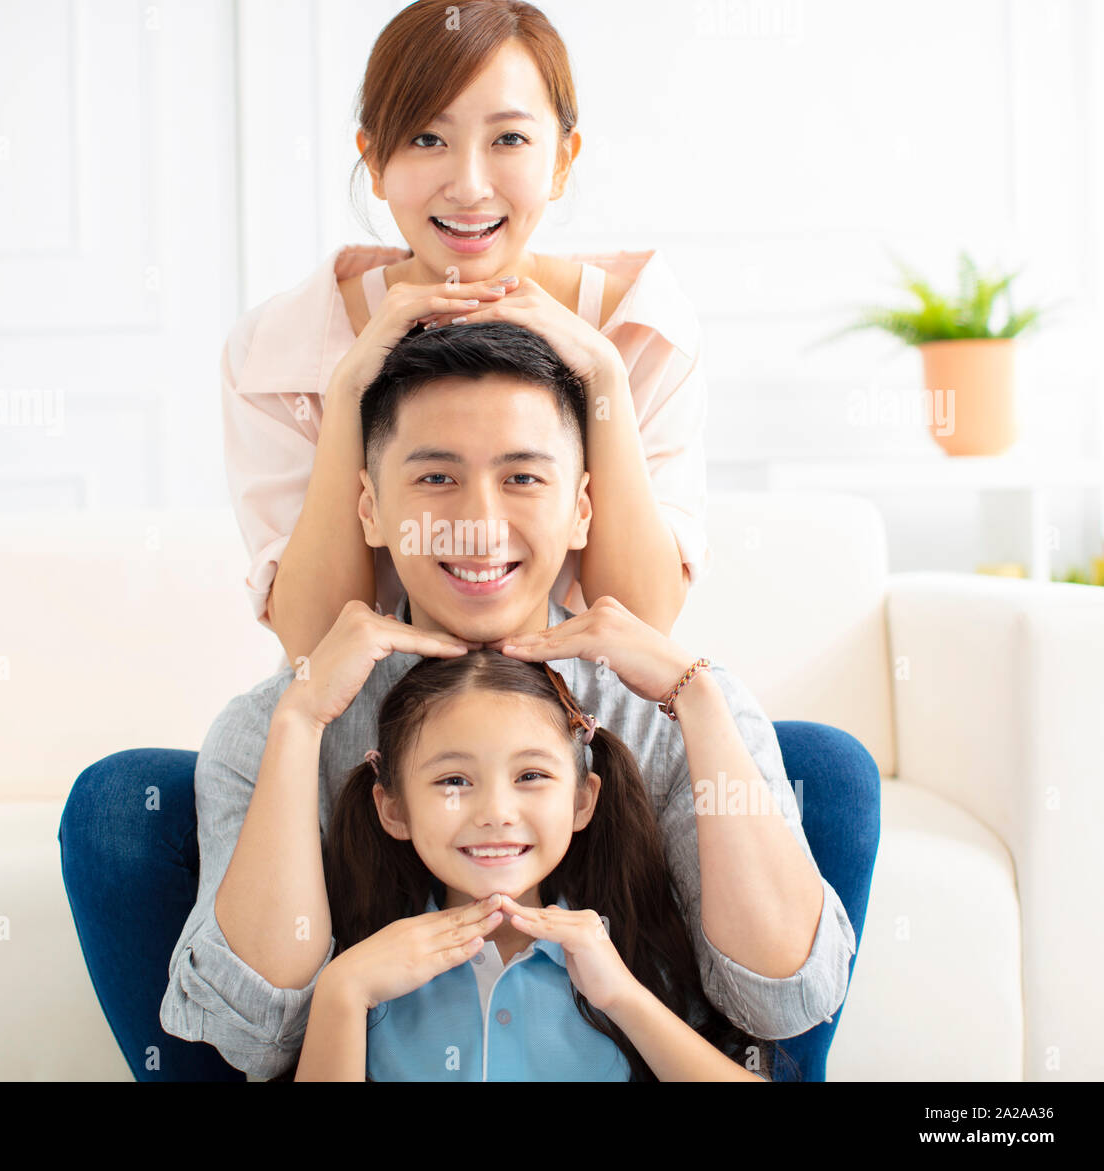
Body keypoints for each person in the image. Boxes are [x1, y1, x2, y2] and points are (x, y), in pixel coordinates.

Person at [152, 320, 858, 1081]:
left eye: (522, 477)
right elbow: (253, 1036)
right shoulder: (281, 720)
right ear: (371, 510)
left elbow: (781, 1002)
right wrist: (298, 721)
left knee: (830, 765)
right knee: (124, 797)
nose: (481, 524)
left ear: (582, 508)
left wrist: (698, 697)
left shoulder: (663, 705)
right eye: (434, 478)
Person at [227, 0, 713, 665]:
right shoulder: (283, 346)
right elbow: (315, 648)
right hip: (370, 732)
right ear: (373, 160)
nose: (469, 186)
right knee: (122, 776)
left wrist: (601, 373)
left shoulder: (639, 328)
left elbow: (639, 626)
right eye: (428, 139)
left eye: (509, 139)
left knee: (826, 761)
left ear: (563, 159)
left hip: (572, 732)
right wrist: (347, 393)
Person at [288, 639, 802, 1081]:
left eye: (530, 776)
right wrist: (343, 991)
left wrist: (624, 998)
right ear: (393, 808)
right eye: (454, 781)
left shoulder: (631, 958)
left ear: (582, 801)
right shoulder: (366, 974)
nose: (496, 813)